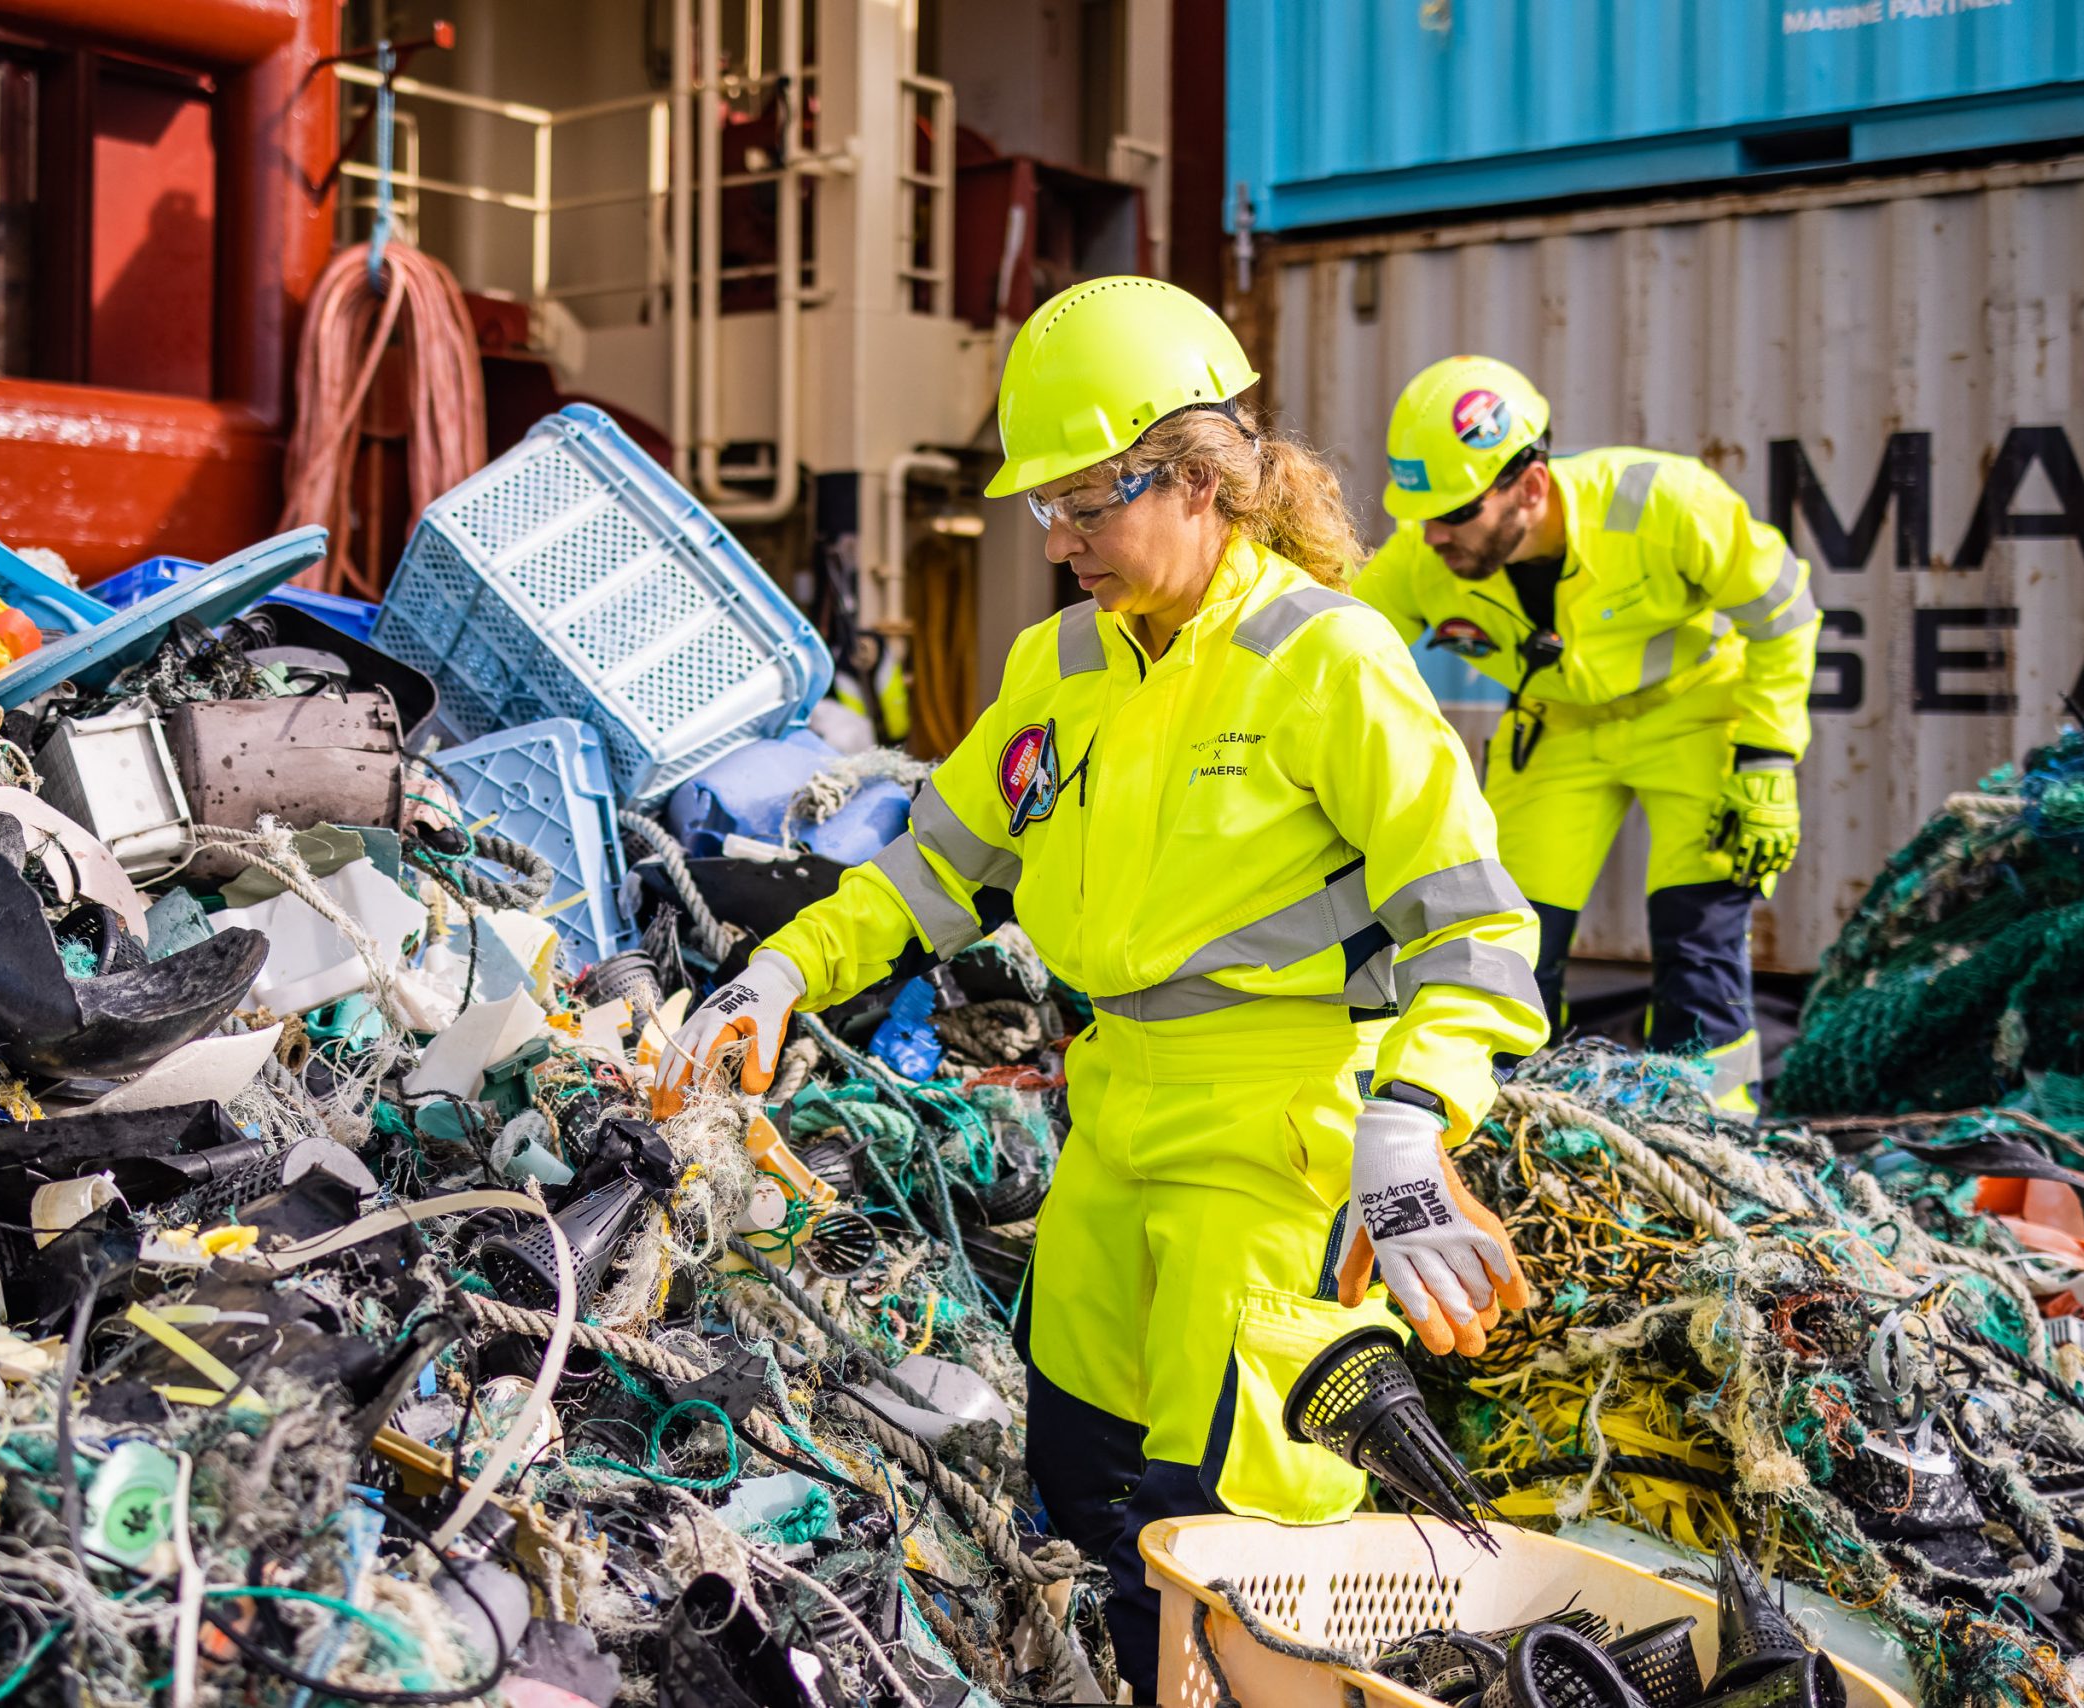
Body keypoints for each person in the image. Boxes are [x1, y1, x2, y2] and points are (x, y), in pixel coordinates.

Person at [654, 278, 1547, 1696]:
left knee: (1230, 1544)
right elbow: (929, 870)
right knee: (1080, 1494)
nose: (1059, 544)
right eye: (1045, 512)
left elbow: (1478, 934)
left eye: (1085, 505)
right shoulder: (1058, 664)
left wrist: (1412, 1122)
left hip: (1268, 1155)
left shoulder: (1325, 661)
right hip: (1109, 1137)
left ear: (1196, 480)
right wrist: (781, 967)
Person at [1355, 356, 1820, 1114]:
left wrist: (1767, 757)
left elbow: (1785, 614)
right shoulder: (1421, 556)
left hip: (1692, 715)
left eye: (1453, 512)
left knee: (1696, 944)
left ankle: (1711, 1139)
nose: (1431, 534)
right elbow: (1335, 647)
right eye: (1419, 512)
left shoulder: (1668, 504)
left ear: (1529, 487)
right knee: (1507, 945)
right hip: (1559, 732)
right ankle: (1527, 1127)